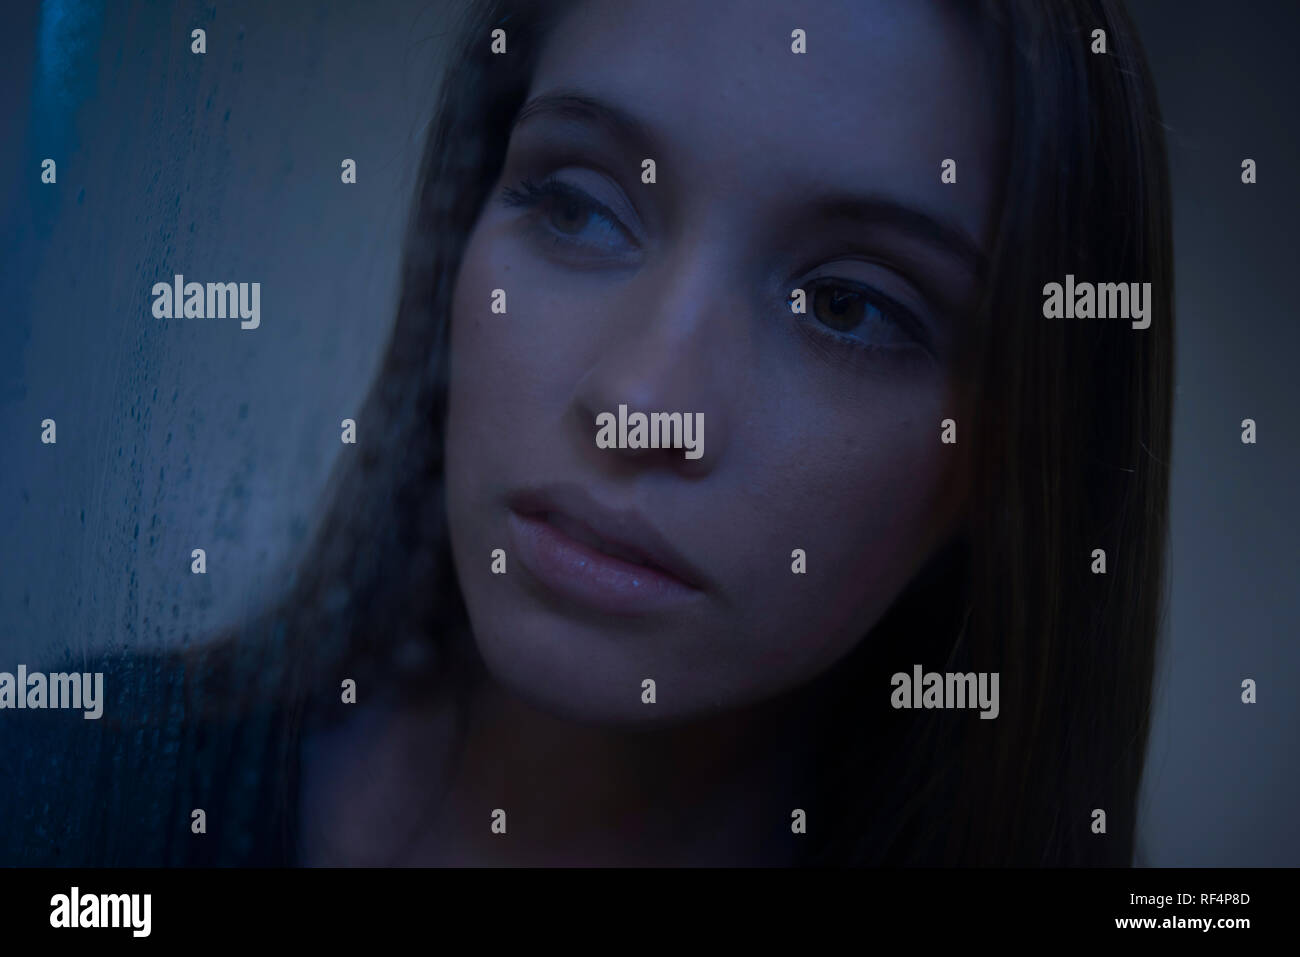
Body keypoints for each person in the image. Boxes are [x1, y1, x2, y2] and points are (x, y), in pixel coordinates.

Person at [2, 0, 1173, 867]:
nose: (638, 404)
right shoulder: (65, 800)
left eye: (849, 306)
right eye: (574, 204)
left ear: (1010, 461)